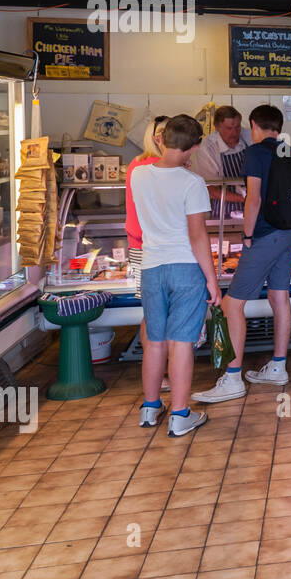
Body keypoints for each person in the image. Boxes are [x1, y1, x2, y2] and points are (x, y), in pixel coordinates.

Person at [193, 104, 291, 403]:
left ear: (253, 124)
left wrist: (248, 235)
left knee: (230, 304)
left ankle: (233, 377)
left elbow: (254, 198)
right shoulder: (286, 150)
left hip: (263, 233)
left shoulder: (255, 152)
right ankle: (278, 367)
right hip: (288, 232)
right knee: (279, 297)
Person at [132, 114, 222, 435]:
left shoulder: (138, 175)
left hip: (151, 267)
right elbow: (198, 236)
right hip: (185, 268)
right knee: (181, 343)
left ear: (162, 139)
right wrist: (212, 280)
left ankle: (150, 407)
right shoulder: (192, 183)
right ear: (195, 147)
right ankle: (181, 415)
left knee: (155, 341)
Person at [126, 115, 170, 392]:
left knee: (154, 312)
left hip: (144, 246)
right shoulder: (150, 166)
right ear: (155, 137)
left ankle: (160, 375)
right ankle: (160, 375)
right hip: (151, 247)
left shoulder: (136, 164)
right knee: (157, 313)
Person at [190, 105, 251, 219]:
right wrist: (244, 198)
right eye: (229, 128)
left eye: (238, 127)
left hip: (252, 207)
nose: (234, 132)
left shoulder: (249, 136)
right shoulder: (207, 149)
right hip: (223, 210)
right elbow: (210, 190)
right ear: (216, 127)